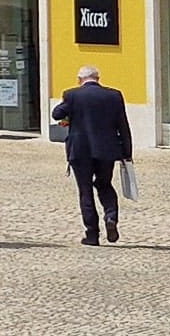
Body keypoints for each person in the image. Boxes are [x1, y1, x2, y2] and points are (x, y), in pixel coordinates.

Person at [52, 64, 134, 246]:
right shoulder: (114, 95)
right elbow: (123, 126)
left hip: (80, 151)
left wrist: (69, 112)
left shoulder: (72, 94)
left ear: (80, 80)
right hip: (106, 150)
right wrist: (127, 153)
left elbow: (57, 114)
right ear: (98, 78)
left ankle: (92, 234)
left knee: (85, 190)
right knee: (105, 184)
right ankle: (111, 217)